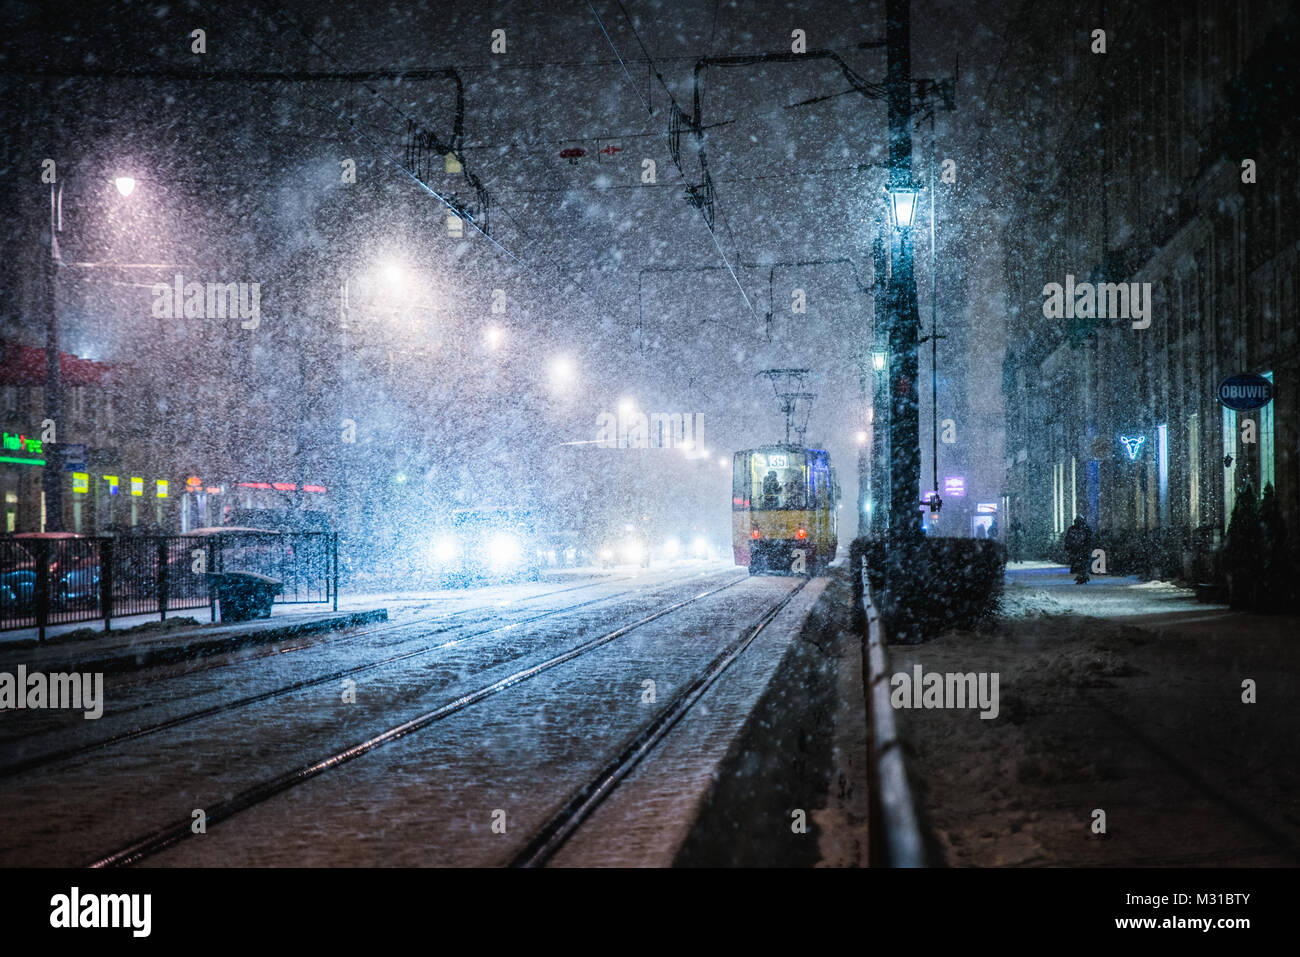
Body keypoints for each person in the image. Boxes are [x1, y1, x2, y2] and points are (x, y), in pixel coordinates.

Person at [1064, 515, 1093, 584]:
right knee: (1081, 564)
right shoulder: (1085, 528)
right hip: (1079, 549)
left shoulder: (1073, 529)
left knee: (1080, 563)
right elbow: (1089, 539)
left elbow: (1068, 539)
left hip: (1078, 549)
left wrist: (1068, 546)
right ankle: (1082, 576)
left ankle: (1082, 576)